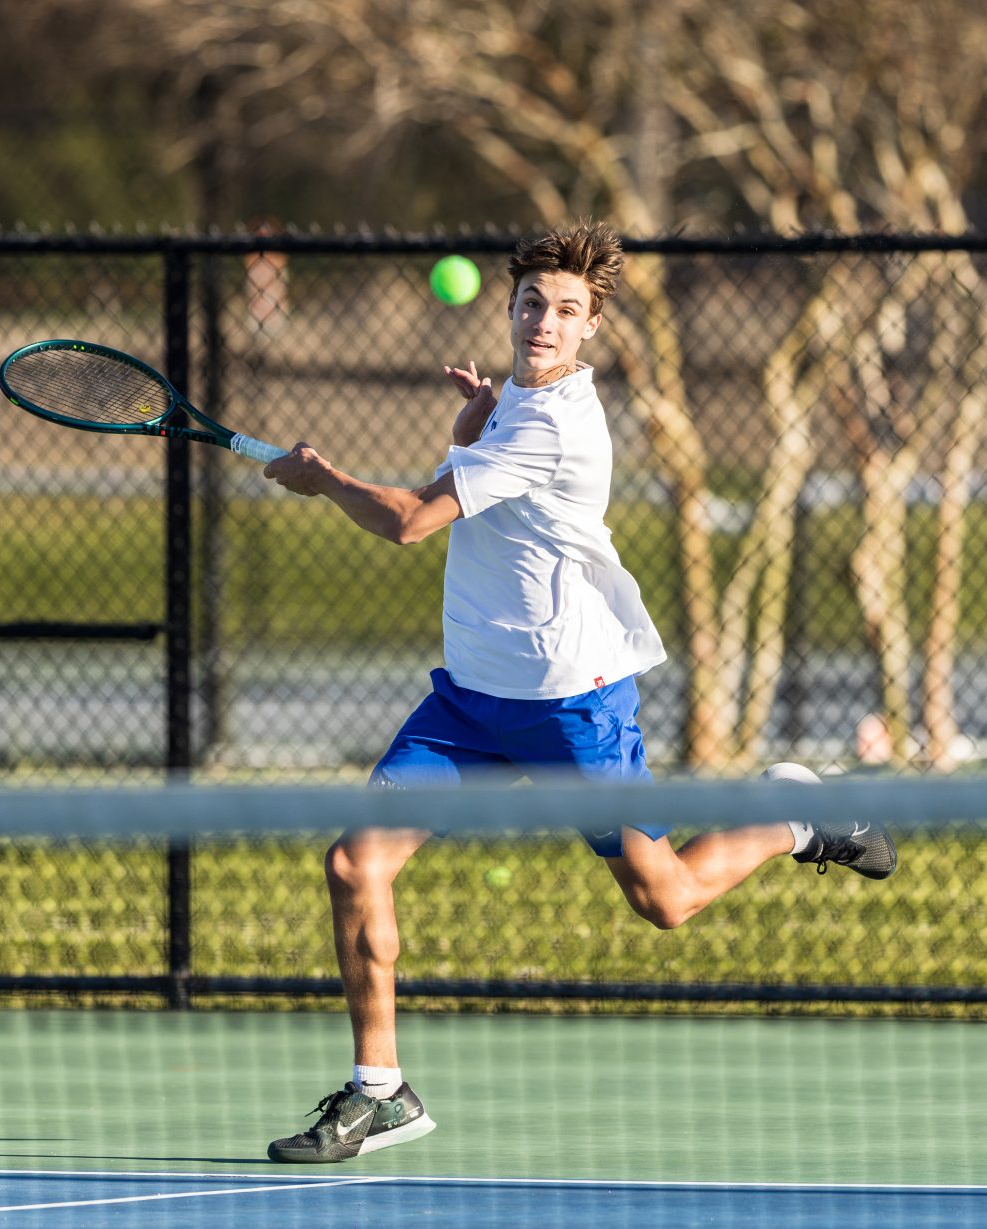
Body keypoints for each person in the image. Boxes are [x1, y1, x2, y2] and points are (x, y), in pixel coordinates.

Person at [260, 221, 898, 1164]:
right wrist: (468, 428)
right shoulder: (515, 403)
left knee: (666, 899)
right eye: (531, 304)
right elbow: (464, 488)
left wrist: (323, 480)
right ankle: (380, 1092)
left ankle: (792, 816)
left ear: (592, 325)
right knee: (356, 865)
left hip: (572, 705)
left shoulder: (557, 423)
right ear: (510, 307)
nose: (543, 323)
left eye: (566, 311)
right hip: (470, 704)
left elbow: (407, 523)